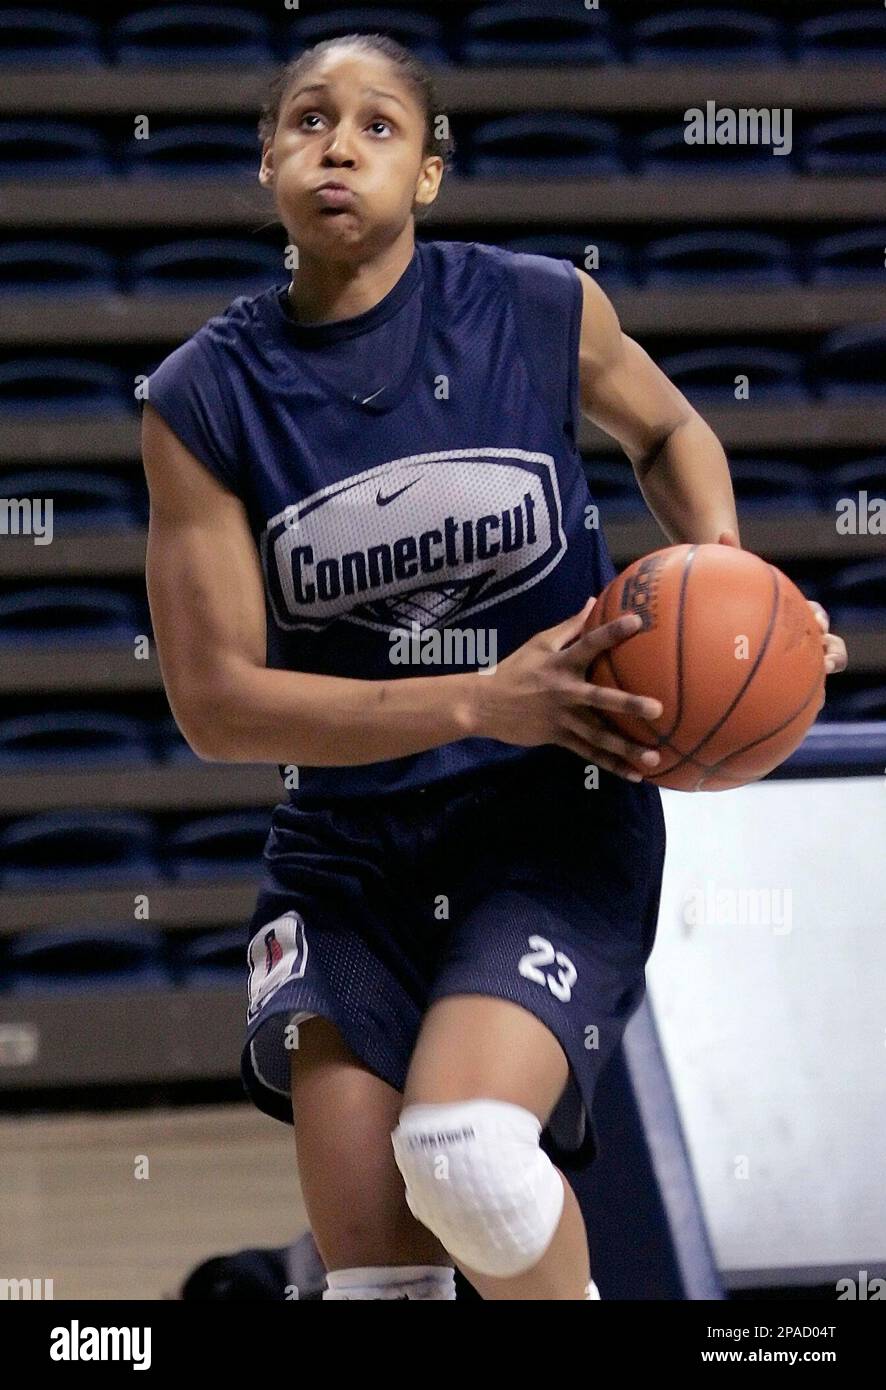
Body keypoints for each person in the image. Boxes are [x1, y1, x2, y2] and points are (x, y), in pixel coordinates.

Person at [141, 33, 847, 1301]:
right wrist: (479, 694)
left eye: (376, 126)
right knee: (376, 1282)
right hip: (348, 848)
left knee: (464, 1153)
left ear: (427, 174)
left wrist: (733, 579)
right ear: (266, 163)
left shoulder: (533, 306)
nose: (338, 144)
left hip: (548, 819)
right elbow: (217, 704)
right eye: (307, 121)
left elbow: (670, 424)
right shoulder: (202, 396)